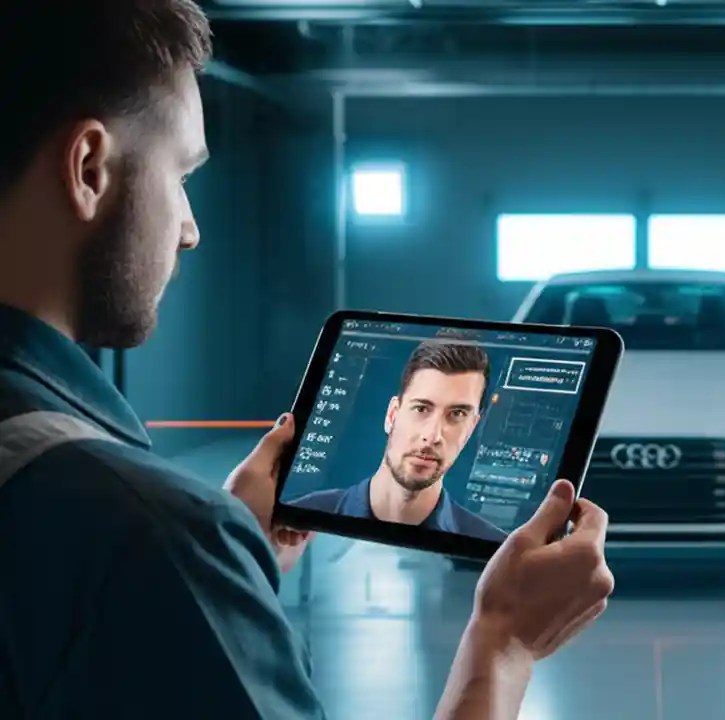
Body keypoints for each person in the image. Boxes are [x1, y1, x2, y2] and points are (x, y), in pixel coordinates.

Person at [0, 2, 613, 718]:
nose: (190, 230)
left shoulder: (145, 533)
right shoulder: (146, 535)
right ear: (90, 168)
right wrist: (503, 645)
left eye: (458, 414)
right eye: (181, 176)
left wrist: (222, 561)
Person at [293, 342, 508, 542]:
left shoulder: (494, 548)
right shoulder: (299, 520)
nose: (432, 436)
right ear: (392, 416)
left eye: (457, 414)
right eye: (421, 409)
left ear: (471, 428)